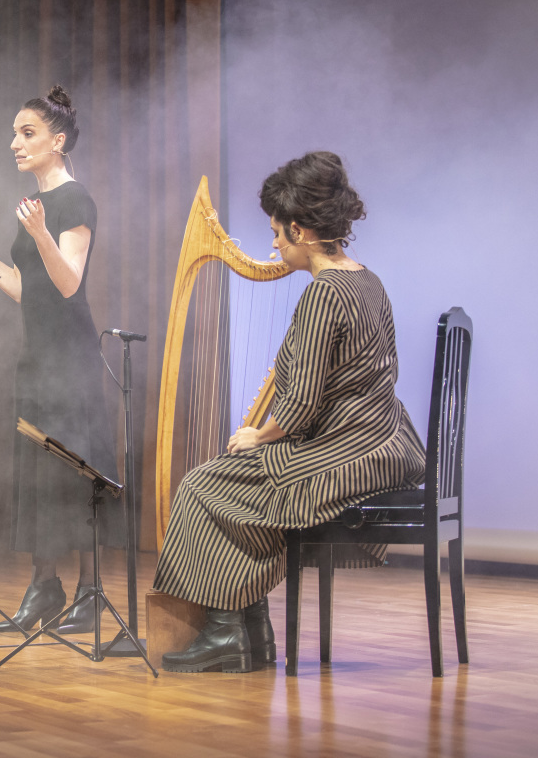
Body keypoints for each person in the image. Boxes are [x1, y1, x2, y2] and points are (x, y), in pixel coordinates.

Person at [153, 151, 426, 673]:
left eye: (277, 232)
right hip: (387, 443)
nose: (274, 244)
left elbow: (298, 406)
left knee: (205, 484)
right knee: (229, 483)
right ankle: (247, 631)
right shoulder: (367, 279)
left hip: (351, 453)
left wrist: (259, 435)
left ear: (300, 231)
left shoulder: (324, 293)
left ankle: (230, 632)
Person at [0, 85, 120, 634]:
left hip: (71, 356)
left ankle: (90, 592)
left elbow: (68, 284)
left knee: (76, 468)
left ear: (57, 142)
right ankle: (44, 587)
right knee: (38, 470)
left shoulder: (75, 199)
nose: (14, 142)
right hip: (37, 356)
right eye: (15, 132)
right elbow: (23, 289)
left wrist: (40, 234)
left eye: (27, 133)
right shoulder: (32, 207)